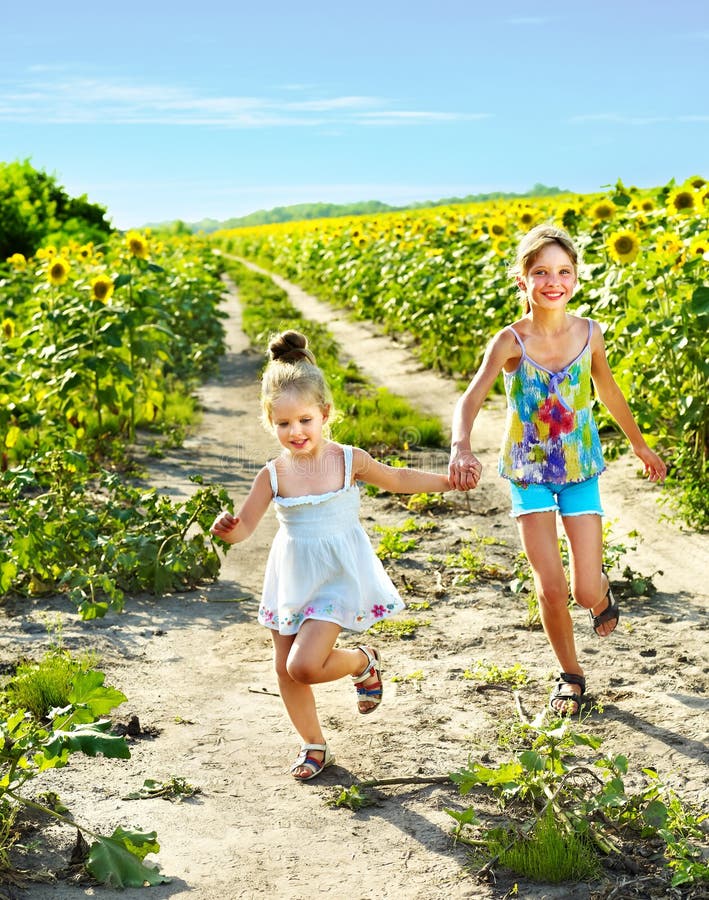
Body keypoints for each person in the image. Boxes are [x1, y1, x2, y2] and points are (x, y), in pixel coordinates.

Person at [211, 330, 451, 780]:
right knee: (284, 668)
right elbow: (244, 529)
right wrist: (228, 529)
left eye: (304, 420)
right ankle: (313, 744)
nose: (295, 432)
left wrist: (446, 481)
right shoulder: (274, 474)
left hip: (337, 576)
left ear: (324, 413)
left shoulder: (347, 460)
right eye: (283, 425)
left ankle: (362, 659)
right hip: (291, 577)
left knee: (303, 665)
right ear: (270, 423)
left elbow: (396, 479)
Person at [448, 224, 666, 716]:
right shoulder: (509, 342)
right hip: (528, 472)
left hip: (580, 467)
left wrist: (640, 446)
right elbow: (470, 399)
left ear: (575, 278)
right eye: (541, 271)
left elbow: (608, 391)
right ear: (522, 281)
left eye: (564, 271)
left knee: (584, 589)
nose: (554, 281)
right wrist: (461, 447)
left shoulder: (590, 333)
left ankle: (601, 592)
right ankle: (571, 673)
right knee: (549, 585)